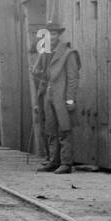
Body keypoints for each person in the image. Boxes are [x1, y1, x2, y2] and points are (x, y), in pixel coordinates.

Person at [32, 22, 80, 173]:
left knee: (64, 129)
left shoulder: (68, 53)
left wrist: (70, 99)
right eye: (47, 34)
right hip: (48, 95)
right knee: (50, 128)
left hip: (62, 96)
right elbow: (38, 72)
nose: (50, 37)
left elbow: (73, 78)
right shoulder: (45, 52)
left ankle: (66, 163)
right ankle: (53, 161)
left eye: (53, 34)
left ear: (59, 35)